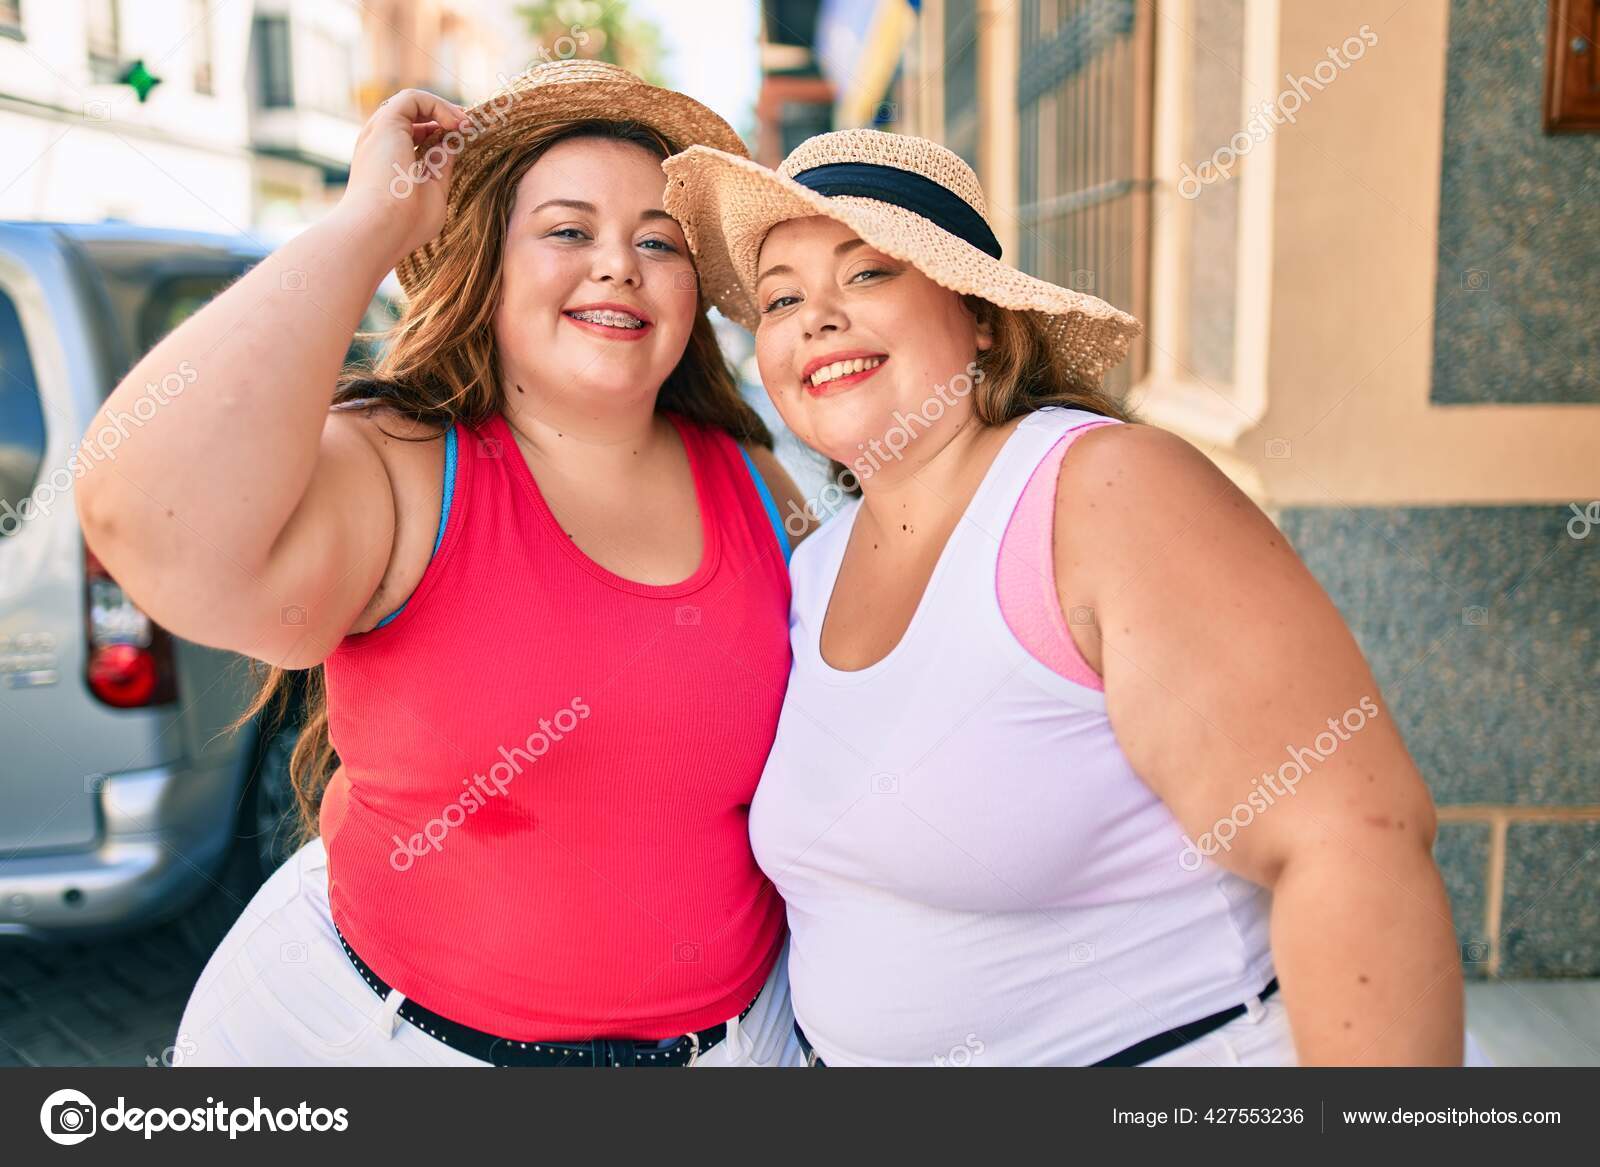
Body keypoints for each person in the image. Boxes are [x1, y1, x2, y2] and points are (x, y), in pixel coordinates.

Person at [662, 128, 1468, 1066]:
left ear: (984, 318)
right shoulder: (816, 565)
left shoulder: (1103, 491)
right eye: (782, 298)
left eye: (869, 273)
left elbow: (1350, 843)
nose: (818, 318)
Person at [76, 61, 811, 1068]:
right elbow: (142, 520)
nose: (619, 265)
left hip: (736, 1049)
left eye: (659, 242)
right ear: (491, 271)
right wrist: (362, 229)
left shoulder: (760, 486)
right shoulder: (404, 463)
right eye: (566, 230)